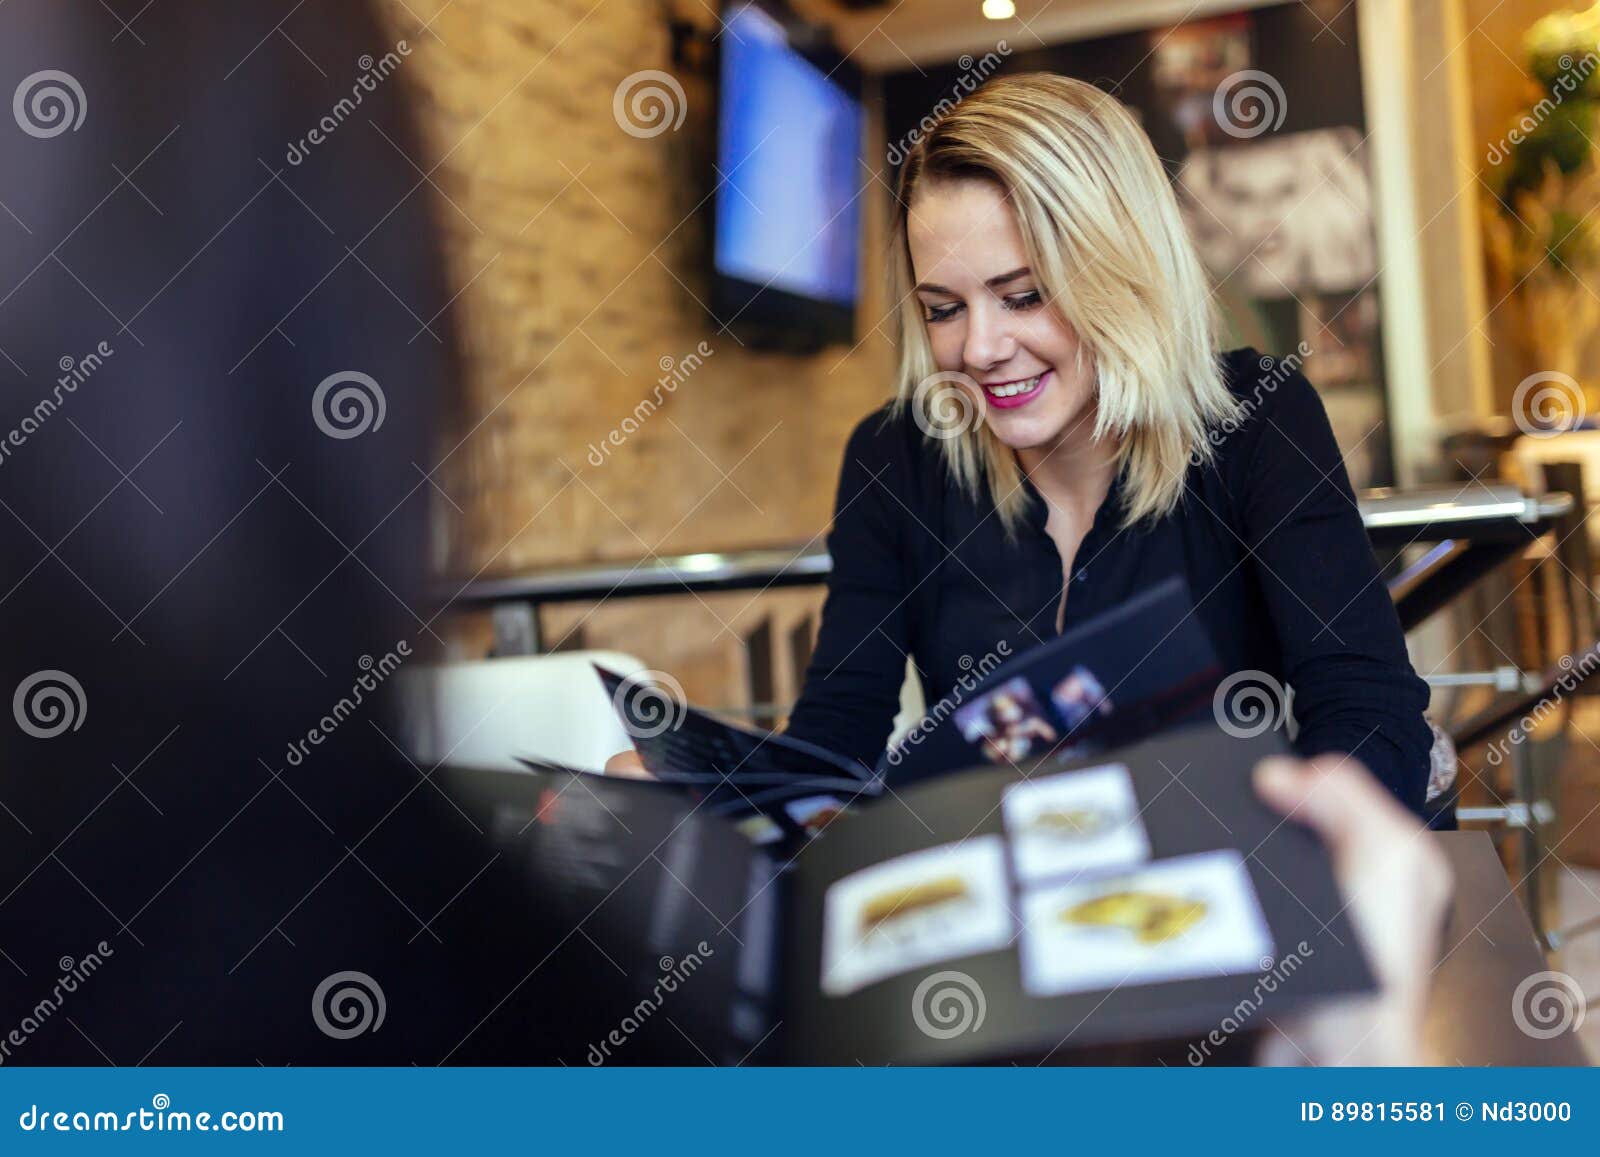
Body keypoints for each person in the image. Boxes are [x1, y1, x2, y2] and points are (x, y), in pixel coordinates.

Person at [609, 72, 1433, 814]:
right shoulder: (894, 461)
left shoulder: (1256, 417)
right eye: (943, 308)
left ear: (1121, 271)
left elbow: (1364, 705)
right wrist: (706, 795)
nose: (978, 348)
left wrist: (1320, 834)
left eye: (1023, 295)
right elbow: (839, 731)